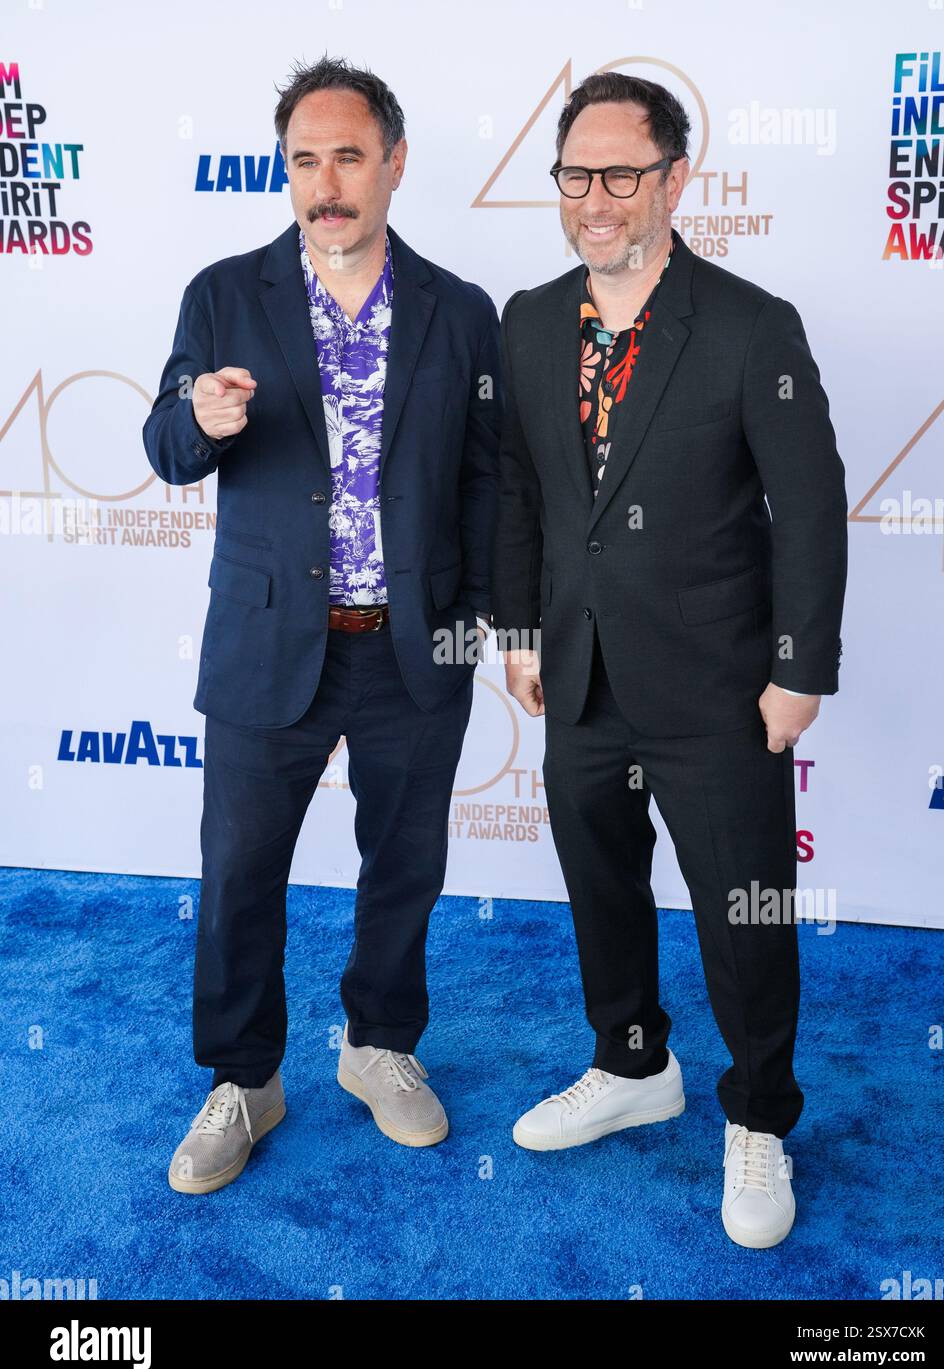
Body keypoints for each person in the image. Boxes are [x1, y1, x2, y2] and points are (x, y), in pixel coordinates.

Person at [489, 72, 847, 1248]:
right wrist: (522, 629)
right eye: (576, 175)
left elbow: (811, 506)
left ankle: (758, 1116)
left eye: (623, 174)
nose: (596, 199)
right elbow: (523, 493)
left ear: (675, 180)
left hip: (722, 694)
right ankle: (634, 1062)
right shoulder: (531, 322)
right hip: (580, 679)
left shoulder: (751, 325)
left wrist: (797, 671)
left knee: (742, 911)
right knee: (602, 886)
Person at [143, 55, 500, 1193]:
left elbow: (491, 484)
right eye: (305, 159)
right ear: (285, 169)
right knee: (239, 867)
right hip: (264, 636)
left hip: (414, 642)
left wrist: (504, 625)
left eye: (350, 155)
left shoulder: (461, 310)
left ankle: (378, 1045)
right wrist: (196, 418)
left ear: (394, 163)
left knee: (404, 865)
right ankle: (246, 1078)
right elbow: (166, 444)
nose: (326, 182)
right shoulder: (223, 292)